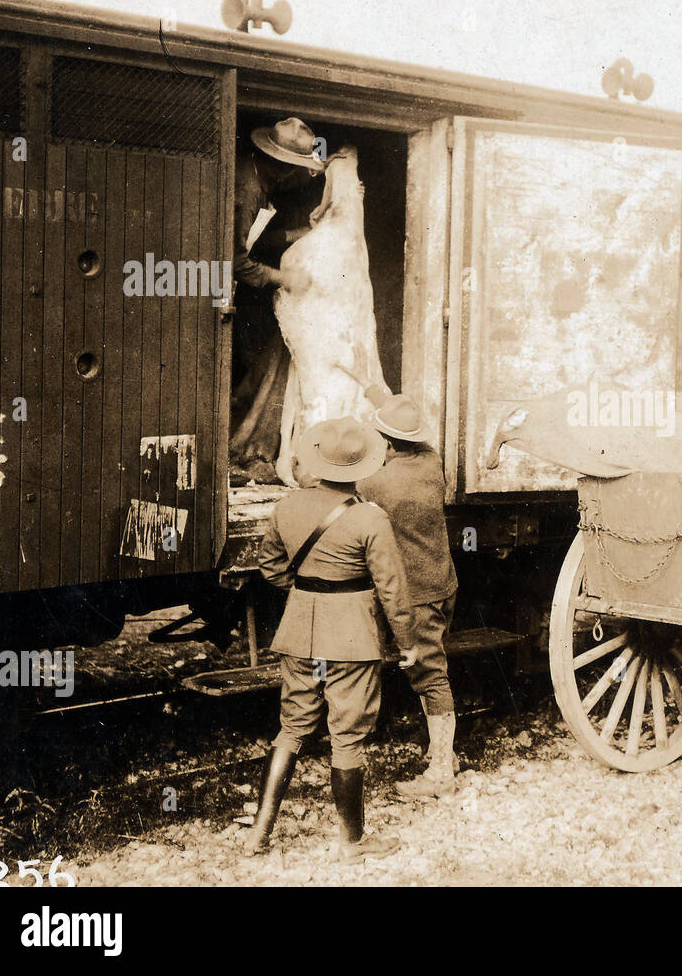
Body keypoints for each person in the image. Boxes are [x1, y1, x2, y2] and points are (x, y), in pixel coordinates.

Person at [248, 417, 418, 860]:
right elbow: (392, 588)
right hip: (352, 639)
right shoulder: (370, 518)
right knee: (347, 735)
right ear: (360, 469)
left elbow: (270, 567)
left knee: (292, 727)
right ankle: (352, 843)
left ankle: (258, 834)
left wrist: (308, 593)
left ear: (317, 463)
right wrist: (408, 642)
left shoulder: (287, 506)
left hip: (300, 632)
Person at [357, 390, 461, 799]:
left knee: (430, 675)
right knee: (429, 668)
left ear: (384, 441)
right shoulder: (433, 464)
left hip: (413, 595)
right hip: (442, 583)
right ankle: (443, 755)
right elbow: (416, 441)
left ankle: (440, 774)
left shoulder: (375, 481)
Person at [229, 117, 325, 480]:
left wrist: (297, 233)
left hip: (241, 290)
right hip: (221, 290)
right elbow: (234, 259)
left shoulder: (260, 181)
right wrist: (284, 278)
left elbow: (256, 241)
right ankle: (237, 449)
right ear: (283, 166)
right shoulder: (249, 187)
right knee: (243, 366)